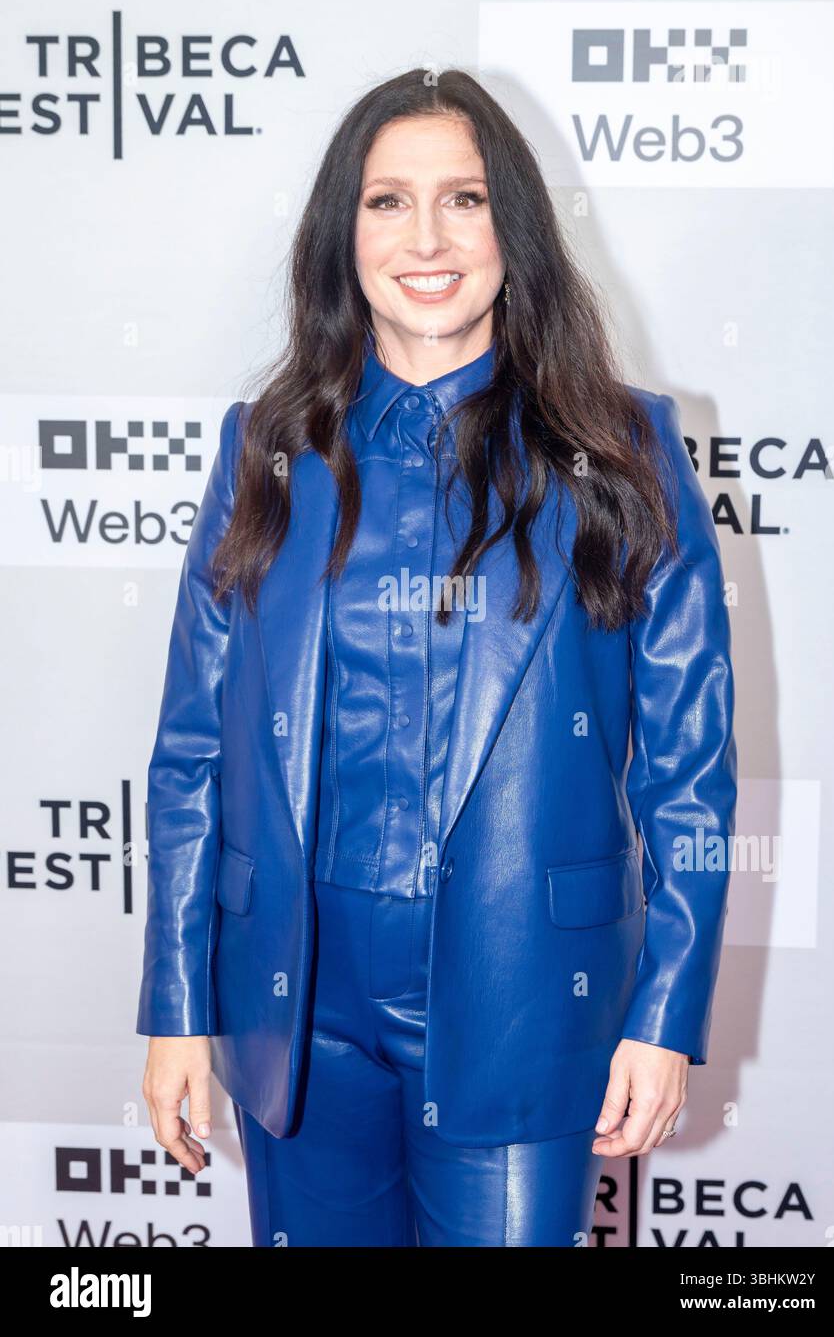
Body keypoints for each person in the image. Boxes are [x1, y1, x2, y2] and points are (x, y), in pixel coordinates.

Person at [137, 67, 737, 1247]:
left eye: (462, 199)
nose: (425, 238)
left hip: (521, 998)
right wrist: (174, 1005)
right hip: (298, 1008)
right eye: (386, 202)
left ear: (511, 228)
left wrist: (664, 1011)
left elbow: (689, 768)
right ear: (341, 234)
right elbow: (191, 751)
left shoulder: (623, 449)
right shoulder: (261, 450)